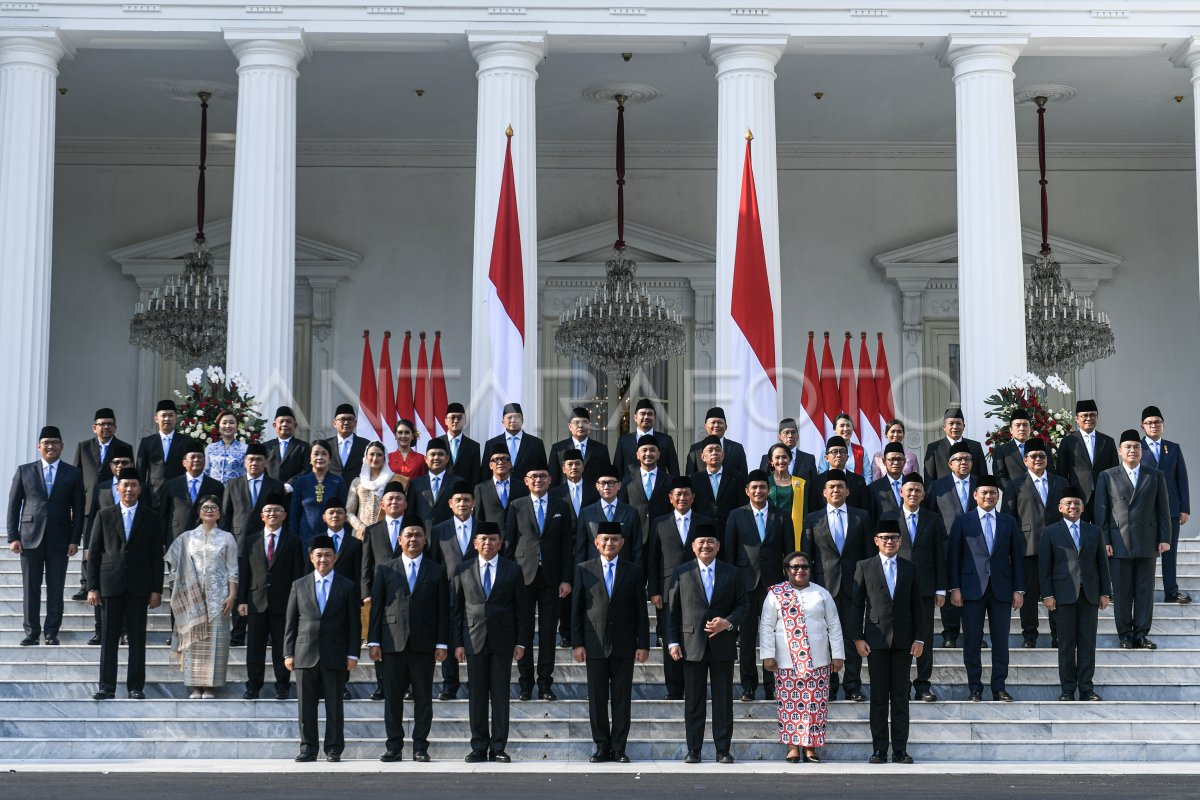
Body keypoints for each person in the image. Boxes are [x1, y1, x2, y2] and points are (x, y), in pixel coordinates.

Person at [368, 517, 449, 762]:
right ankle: (394, 747)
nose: (413, 539)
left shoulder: (437, 570)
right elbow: (377, 608)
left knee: (423, 698)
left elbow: (443, 609)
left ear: (425, 540)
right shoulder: (385, 568)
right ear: (400, 540)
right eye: (409, 535)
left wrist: (442, 643)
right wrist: (374, 641)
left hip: (424, 644)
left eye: (418, 535)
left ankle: (420, 747)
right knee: (393, 698)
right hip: (392, 642)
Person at [666, 524, 747, 764]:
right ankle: (694, 750)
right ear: (693, 547)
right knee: (693, 701)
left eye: (711, 541)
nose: (706, 546)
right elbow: (672, 611)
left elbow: (743, 606)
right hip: (692, 645)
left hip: (722, 644)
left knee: (724, 701)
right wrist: (672, 642)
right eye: (701, 542)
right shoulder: (681, 571)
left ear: (718, 546)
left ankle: (723, 750)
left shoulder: (731, 572)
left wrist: (728, 623)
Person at [452, 521, 530, 763]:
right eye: (483, 539)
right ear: (475, 543)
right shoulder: (463, 569)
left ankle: (498, 747)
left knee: (500, 695)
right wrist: (457, 642)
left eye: (493, 539)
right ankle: (478, 746)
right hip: (473, 639)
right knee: (476, 696)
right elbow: (456, 609)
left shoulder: (512, 569)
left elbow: (522, 610)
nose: (488, 543)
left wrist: (521, 642)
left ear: (500, 543)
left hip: (503, 640)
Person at [572, 523, 650, 763]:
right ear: (596, 543)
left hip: (625, 644)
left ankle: (618, 748)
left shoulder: (634, 570)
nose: (609, 543)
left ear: (622, 543)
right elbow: (576, 609)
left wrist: (643, 644)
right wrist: (577, 643)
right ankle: (601, 746)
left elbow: (640, 610)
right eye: (604, 539)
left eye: (614, 539)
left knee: (621, 698)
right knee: (596, 699)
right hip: (593, 643)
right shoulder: (584, 569)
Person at [850, 519, 925, 764]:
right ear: (876, 541)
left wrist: (920, 638)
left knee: (901, 697)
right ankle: (879, 750)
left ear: (900, 541)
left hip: (904, 642)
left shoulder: (910, 567)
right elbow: (856, 605)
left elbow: (918, 607)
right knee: (879, 698)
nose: (889, 542)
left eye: (893, 537)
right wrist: (857, 638)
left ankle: (900, 750)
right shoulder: (864, 566)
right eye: (884, 538)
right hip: (875, 641)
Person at [759, 550, 844, 764]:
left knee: (815, 704)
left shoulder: (821, 593)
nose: (800, 570)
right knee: (790, 705)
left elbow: (834, 625)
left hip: (818, 660)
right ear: (786, 570)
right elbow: (767, 626)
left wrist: (838, 655)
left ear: (810, 569)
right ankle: (792, 747)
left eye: (804, 567)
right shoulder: (775, 594)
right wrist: (767, 655)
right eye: (794, 567)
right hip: (786, 660)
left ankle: (810, 747)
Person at [87, 467, 164, 699]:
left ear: (139, 489)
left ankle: (135, 687)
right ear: (117, 488)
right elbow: (94, 553)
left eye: (133, 485)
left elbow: (156, 556)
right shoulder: (105, 514)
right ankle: (106, 686)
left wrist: (156, 589)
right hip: (110, 583)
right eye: (125, 485)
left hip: (139, 586)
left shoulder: (152, 517)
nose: (129, 489)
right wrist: (92, 587)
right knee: (109, 638)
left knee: (137, 639)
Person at [285, 534, 360, 762]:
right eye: (319, 555)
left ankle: (334, 748)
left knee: (334, 705)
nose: (323, 559)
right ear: (311, 557)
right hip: (305, 653)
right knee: (305, 707)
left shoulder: (347, 586)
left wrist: (353, 653)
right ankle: (308, 748)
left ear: (335, 558)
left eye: (328, 555)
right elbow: (291, 622)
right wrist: (288, 652)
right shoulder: (299, 585)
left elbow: (354, 624)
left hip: (335, 654)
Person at [948, 474, 1024, 702]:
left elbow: (1017, 558)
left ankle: (999, 687)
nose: (989, 496)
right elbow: (954, 557)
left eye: (992, 492)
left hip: (1001, 588)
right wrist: (955, 588)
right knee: (972, 641)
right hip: (971, 589)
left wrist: (1019, 589)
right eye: (984, 492)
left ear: (998, 496)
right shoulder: (963, 521)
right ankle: (975, 688)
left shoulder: (1008, 522)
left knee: (1001, 641)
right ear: (975, 495)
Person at [8, 425, 85, 648]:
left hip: (60, 539)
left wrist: (74, 539)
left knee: (55, 588)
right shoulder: (25, 470)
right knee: (30, 588)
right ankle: (31, 632)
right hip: (29, 538)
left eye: (55, 442)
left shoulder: (73, 473)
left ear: (61, 446)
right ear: (39, 446)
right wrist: (13, 536)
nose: (50, 446)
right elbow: (14, 506)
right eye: (46, 443)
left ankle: (52, 632)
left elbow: (78, 509)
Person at [1093, 430, 1171, 650]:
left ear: (1142, 450)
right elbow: (1102, 512)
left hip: (1147, 541)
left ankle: (1142, 634)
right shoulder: (1107, 476)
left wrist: (1165, 537)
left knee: (1145, 592)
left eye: (1136, 447)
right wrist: (1105, 540)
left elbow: (1163, 510)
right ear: (1120, 450)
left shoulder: (1155, 475)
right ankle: (1125, 635)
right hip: (1119, 542)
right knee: (1123, 591)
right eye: (1128, 446)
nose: (1132, 450)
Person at [803, 469, 872, 702]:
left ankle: (853, 686)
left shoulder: (861, 516)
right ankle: (829, 687)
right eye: (831, 487)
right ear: (824, 492)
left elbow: (868, 554)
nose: (836, 490)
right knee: (825, 638)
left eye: (840, 487)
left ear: (847, 491)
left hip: (854, 585)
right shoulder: (813, 518)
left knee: (853, 635)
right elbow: (807, 555)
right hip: (824, 587)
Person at [504, 465, 572, 701]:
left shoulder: (561, 506)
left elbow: (566, 546)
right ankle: (525, 684)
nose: (538, 480)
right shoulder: (516, 505)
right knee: (522, 631)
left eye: (543, 476)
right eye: (533, 476)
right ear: (525, 480)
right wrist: (506, 577)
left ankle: (545, 683)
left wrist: (566, 578)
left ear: (551, 479)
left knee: (547, 633)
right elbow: (509, 544)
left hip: (552, 577)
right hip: (522, 576)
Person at [726, 469, 793, 702]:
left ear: (769, 490)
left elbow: (789, 554)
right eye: (754, 487)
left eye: (762, 487)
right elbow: (730, 553)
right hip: (745, 585)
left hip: (774, 586)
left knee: (773, 637)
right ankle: (748, 686)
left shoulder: (782, 516)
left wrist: (788, 586)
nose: (758, 491)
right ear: (747, 491)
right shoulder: (736, 515)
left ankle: (772, 686)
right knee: (746, 639)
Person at [1039, 488, 1112, 701]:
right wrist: (1047, 595)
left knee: (1088, 644)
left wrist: (1105, 592)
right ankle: (1067, 690)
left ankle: (1087, 689)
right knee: (1066, 644)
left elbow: (1102, 564)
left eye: (1077, 503)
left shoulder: (1094, 531)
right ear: (1060, 507)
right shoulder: (1050, 532)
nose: (1073, 507)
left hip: (1089, 595)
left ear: (1083, 507)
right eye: (1068, 503)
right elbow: (1045, 567)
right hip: (1062, 596)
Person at [164, 494, 238, 698]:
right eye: (205, 507)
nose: (209, 510)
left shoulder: (227, 538)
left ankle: (211, 686)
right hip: (192, 597)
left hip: (218, 596)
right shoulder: (187, 537)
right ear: (199, 512)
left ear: (219, 514)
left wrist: (232, 595)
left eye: (214, 507)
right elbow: (174, 562)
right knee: (194, 643)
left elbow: (233, 569)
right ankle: (195, 685)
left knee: (216, 641)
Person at [884, 473, 948, 702]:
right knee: (899, 637)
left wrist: (941, 589)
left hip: (925, 588)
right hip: (896, 587)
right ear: (901, 492)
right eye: (909, 490)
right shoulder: (889, 517)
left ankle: (923, 685)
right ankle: (900, 685)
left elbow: (940, 555)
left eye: (918, 491)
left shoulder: (932, 518)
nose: (913, 494)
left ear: (923, 494)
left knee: (924, 638)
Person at [645, 476, 709, 699]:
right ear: (670, 498)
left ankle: (693, 687)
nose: (682, 498)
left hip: (699, 587)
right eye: (678, 495)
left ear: (693, 497)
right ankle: (674, 689)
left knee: (695, 637)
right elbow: (652, 559)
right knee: (670, 638)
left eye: (686, 494)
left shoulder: (704, 521)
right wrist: (653, 590)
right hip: (667, 589)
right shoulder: (660, 522)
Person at [1001, 438, 1067, 648]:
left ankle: (1058, 635)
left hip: (1058, 548)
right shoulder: (1015, 484)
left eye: (1042, 456)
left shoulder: (1060, 482)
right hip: (1027, 547)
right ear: (1025, 459)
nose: (1038, 459)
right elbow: (1008, 518)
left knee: (1056, 592)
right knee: (1028, 595)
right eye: (1034, 456)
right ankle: (1030, 635)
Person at [238, 493, 305, 700]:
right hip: (256, 601)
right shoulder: (250, 541)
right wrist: (241, 600)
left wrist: (297, 602)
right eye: (268, 511)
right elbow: (244, 572)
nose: (272, 514)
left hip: (283, 602)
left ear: (284, 515)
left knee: (281, 647)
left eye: (277, 510)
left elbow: (298, 574)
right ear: (261, 516)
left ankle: (282, 685)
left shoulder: (293, 541)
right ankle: (253, 686)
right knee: (255, 648)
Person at [923, 440, 978, 648]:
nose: (963, 462)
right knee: (949, 592)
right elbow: (929, 516)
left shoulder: (980, 484)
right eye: (958, 459)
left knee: (974, 594)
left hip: (976, 549)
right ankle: (950, 634)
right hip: (946, 548)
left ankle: (975, 634)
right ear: (950, 464)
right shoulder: (937, 487)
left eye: (967, 459)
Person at [71, 408, 131, 600]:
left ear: (115, 427)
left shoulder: (124, 447)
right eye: (102, 424)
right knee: (89, 545)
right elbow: (75, 477)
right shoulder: (83, 446)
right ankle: (85, 584)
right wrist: (73, 505)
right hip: (89, 505)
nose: (106, 427)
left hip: (115, 502)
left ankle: (112, 581)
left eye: (109, 424)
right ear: (94, 427)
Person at [361, 480, 409, 700]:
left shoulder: (414, 528)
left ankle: (407, 685)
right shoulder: (372, 530)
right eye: (390, 498)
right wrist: (366, 592)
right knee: (379, 638)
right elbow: (366, 564)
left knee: (407, 638)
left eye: (399, 498)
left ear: (405, 503)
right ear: (382, 504)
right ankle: (382, 685)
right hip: (380, 593)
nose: (394, 501)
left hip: (408, 592)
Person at [82, 443, 135, 644]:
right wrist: (87, 546)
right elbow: (93, 518)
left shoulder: (139, 487)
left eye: (125, 462)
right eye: (117, 462)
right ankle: (100, 630)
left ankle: (126, 631)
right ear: (111, 465)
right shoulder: (101, 487)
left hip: (129, 549)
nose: (120, 466)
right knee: (100, 592)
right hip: (105, 548)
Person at [428, 487, 477, 700]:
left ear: (473, 502)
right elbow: (435, 562)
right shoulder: (440, 530)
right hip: (448, 591)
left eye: (467, 499)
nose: (463, 503)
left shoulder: (482, 528)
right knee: (448, 636)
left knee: (475, 637)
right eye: (458, 500)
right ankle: (450, 683)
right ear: (450, 503)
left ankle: (477, 683)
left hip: (477, 593)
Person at [1139, 406, 1191, 604]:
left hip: (1171, 509)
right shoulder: (1137, 448)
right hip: (1146, 511)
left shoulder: (1173, 448)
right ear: (1143, 427)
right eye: (1149, 423)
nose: (1154, 426)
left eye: (1157, 422)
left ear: (1163, 425)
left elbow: (1182, 479)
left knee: (1170, 550)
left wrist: (1185, 508)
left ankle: (1171, 591)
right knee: (1146, 552)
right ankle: (1145, 592)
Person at [1054, 399, 1118, 522]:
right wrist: (1068, 497)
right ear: (1077, 419)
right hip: (1077, 498)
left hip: (1103, 496)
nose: (1089, 418)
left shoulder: (1107, 441)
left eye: (1092, 415)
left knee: (1101, 534)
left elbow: (1114, 470)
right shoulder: (1068, 441)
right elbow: (1062, 472)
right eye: (1084, 415)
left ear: (1097, 417)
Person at [157, 439, 224, 543]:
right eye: (192, 457)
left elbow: (221, 515)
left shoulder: (216, 486)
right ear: (184, 462)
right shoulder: (171, 485)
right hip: (177, 536)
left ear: (205, 461)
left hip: (206, 539)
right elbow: (163, 515)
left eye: (200, 457)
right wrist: (162, 541)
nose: (196, 460)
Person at [575, 464, 641, 564]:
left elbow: (637, 549)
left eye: (611, 483)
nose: (606, 487)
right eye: (602, 483)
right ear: (597, 486)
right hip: (594, 573)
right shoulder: (586, 513)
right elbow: (580, 550)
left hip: (624, 572)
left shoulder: (631, 512)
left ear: (619, 485)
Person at [619, 434, 673, 552]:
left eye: (652, 450)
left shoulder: (669, 480)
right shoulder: (627, 481)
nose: (648, 454)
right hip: (635, 537)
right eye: (644, 450)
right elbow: (622, 509)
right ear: (637, 455)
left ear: (658, 454)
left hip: (663, 537)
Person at [136, 399, 196, 503]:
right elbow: (140, 472)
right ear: (156, 418)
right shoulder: (147, 442)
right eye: (163, 415)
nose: (167, 419)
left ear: (176, 418)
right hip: (153, 496)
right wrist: (143, 496)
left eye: (170, 415)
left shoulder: (187, 441)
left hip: (179, 495)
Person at [806, 436, 876, 524]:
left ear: (847, 457)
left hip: (853, 531)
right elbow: (813, 511)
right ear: (826, 458)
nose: (838, 455)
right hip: (824, 531)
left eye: (842, 451)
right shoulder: (816, 481)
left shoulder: (859, 481)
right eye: (834, 451)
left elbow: (865, 511)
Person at [290, 440, 346, 545]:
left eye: (324, 454)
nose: (320, 457)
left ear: (329, 458)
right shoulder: (301, 482)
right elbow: (294, 514)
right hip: (305, 538)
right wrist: (293, 540)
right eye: (316, 454)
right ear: (310, 459)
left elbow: (344, 513)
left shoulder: (338, 482)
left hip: (332, 538)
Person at [690, 435, 747, 539]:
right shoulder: (694, 480)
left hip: (731, 532)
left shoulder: (737, 478)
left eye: (717, 449)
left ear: (723, 454)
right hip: (704, 534)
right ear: (703, 456)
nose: (714, 453)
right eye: (710, 450)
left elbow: (742, 506)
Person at [482, 402, 547, 488]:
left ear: (522, 420)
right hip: (499, 491)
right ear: (503, 422)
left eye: (517, 417)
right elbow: (485, 473)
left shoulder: (536, 443)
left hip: (527, 492)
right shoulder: (492, 444)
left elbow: (543, 471)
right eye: (509, 417)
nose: (513, 420)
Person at [406, 438, 465, 533]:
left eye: (440, 454)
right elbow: (410, 514)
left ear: (447, 458)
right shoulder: (415, 483)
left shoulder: (457, 482)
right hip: (423, 538)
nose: (436, 457)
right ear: (425, 459)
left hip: (450, 537)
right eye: (432, 454)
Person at [613, 398, 680, 476]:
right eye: (642, 413)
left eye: (650, 414)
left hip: (659, 487)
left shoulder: (666, 440)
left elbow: (674, 471)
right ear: (635, 418)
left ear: (654, 418)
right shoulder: (624, 441)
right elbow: (617, 470)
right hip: (630, 487)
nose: (646, 417)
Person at [548, 406, 612, 488]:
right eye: (576, 422)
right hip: (565, 497)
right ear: (570, 427)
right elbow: (553, 478)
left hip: (593, 497)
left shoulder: (600, 449)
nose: (581, 425)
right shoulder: (558, 449)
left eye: (584, 422)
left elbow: (606, 476)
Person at [923, 407, 989, 484]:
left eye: (958, 423)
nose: (955, 427)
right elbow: (929, 479)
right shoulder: (934, 448)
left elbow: (983, 475)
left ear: (963, 426)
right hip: (943, 494)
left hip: (971, 493)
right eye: (951, 423)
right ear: (944, 427)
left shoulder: (975, 446)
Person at [346, 440, 394, 536]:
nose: (375, 458)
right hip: (360, 534)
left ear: (385, 458)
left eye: (379, 455)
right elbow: (348, 512)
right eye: (371, 454)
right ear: (366, 456)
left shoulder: (392, 480)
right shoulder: (357, 481)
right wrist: (361, 527)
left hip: (385, 533)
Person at [684, 407, 749, 476]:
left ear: (726, 427)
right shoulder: (695, 449)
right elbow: (689, 478)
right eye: (713, 422)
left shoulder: (737, 448)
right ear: (705, 426)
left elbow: (744, 477)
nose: (716, 425)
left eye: (719, 422)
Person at [765, 442, 806, 549]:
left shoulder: (800, 483)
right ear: (771, 461)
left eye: (784, 457)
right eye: (777, 457)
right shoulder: (765, 483)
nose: (781, 461)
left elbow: (805, 514)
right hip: (770, 531)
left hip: (793, 532)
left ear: (790, 459)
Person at [758, 418, 818, 484]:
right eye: (786, 432)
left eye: (793, 432)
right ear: (779, 437)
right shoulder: (767, 458)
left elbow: (814, 486)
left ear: (798, 436)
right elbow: (761, 483)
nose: (790, 436)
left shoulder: (808, 459)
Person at [264, 406, 311, 485]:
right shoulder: (265, 447)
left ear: (295, 425)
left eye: (288, 421)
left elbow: (307, 469)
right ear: (274, 425)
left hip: (294, 492)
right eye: (281, 421)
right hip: (270, 493)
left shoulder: (304, 447)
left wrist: (290, 484)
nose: (284, 424)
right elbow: (261, 470)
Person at [323, 403, 370, 479]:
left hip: (356, 489)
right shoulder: (325, 445)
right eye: (342, 419)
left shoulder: (366, 445)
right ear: (334, 423)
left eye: (350, 419)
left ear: (355, 423)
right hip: (331, 488)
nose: (346, 422)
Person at [442, 402, 482, 490]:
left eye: (459, 418)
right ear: (446, 421)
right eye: (452, 417)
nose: (456, 421)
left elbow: (476, 476)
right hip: (442, 493)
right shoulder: (437, 443)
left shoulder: (473, 446)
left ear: (464, 421)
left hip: (464, 496)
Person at [474, 445, 518, 524]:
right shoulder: (481, 489)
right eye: (496, 459)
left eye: (504, 459)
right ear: (490, 465)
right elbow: (478, 518)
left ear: (510, 464)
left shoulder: (522, 487)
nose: (500, 462)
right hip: (491, 535)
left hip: (517, 535)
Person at [204, 409, 248, 484]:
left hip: (235, 492)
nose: (228, 426)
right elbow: (205, 471)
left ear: (237, 426)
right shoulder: (210, 448)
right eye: (224, 423)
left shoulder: (245, 448)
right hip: (213, 492)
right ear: (218, 427)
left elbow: (247, 473)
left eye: (231, 423)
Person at [993, 409, 1037, 483]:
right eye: (1018, 425)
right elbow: (1000, 477)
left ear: (1030, 429)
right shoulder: (1002, 450)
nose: (1022, 428)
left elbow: (1049, 473)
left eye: (1025, 425)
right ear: (1011, 430)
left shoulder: (1042, 449)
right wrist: (1013, 493)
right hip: (1014, 493)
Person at [868, 442, 909, 520]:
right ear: (884, 461)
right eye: (892, 459)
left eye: (899, 459)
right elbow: (871, 519)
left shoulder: (912, 486)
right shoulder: (874, 489)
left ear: (904, 461)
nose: (896, 463)